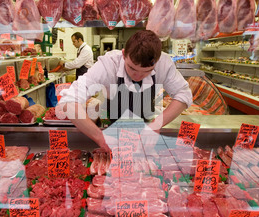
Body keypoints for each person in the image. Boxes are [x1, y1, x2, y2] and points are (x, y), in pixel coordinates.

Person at [58, 30, 193, 151]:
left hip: (146, 128)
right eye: (132, 68)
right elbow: (69, 101)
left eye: (146, 72)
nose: (138, 76)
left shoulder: (163, 63)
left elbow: (183, 94)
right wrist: (100, 137)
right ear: (123, 54)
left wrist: (157, 124)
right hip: (113, 127)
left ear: (156, 62)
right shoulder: (108, 64)